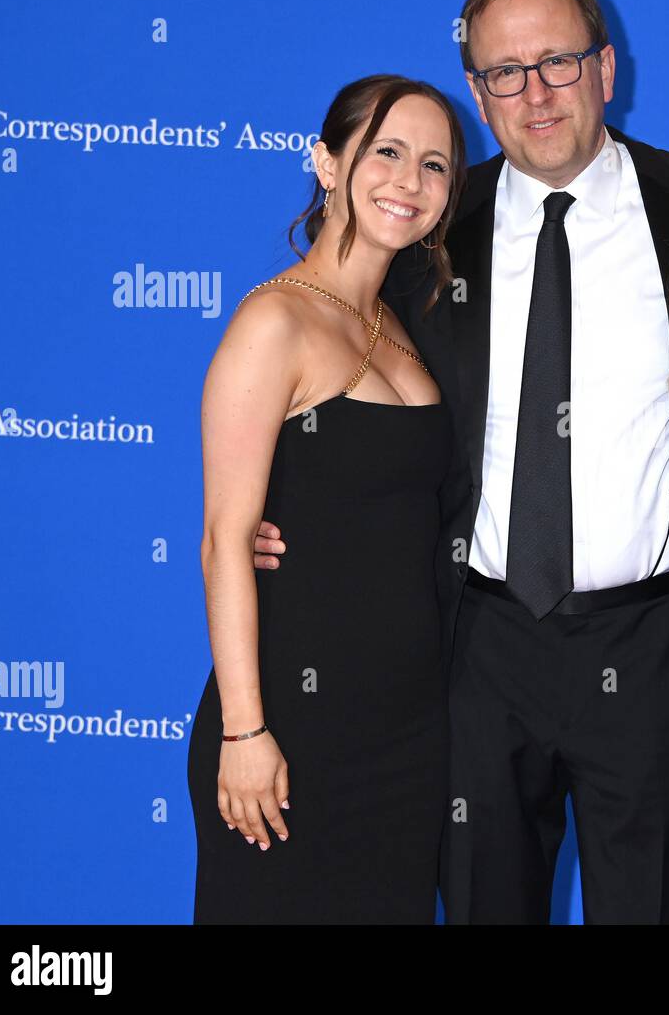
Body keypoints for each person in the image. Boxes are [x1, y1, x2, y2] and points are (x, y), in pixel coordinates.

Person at [255, 0, 669, 924]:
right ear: (476, 93)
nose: (535, 94)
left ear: (607, 68)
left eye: (557, 62)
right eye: (505, 73)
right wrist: (277, 515)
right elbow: (326, 384)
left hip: (652, 640)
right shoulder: (424, 225)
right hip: (474, 651)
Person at [187, 74, 467, 923]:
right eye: (385, 153)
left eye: (434, 166)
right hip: (289, 730)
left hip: (409, 734)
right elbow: (225, 540)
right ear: (326, 162)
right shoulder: (273, 322)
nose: (407, 182)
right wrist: (245, 732)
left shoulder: (405, 328)